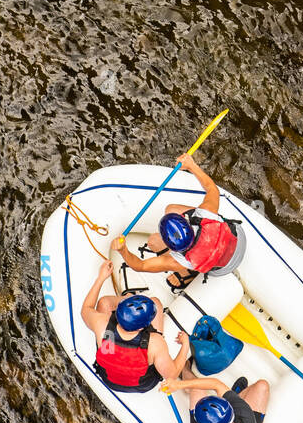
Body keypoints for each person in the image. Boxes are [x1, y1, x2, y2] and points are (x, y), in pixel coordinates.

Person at [113, 153, 243, 288]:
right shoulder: (206, 215)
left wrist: (123, 250)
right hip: (238, 240)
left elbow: (141, 265)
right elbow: (212, 189)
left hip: (222, 268)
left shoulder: (179, 262)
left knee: (154, 240)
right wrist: (192, 166)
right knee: (170, 212)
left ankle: (188, 273)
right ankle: (191, 271)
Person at [81, 264, 189, 393]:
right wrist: (185, 344)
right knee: (156, 303)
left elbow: (86, 309)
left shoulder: (102, 324)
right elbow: (171, 375)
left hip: (108, 378)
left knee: (104, 303)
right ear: (144, 327)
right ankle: (132, 298)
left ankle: (128, 297)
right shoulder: (155, 342)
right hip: (142, 384)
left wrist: (101, 278)